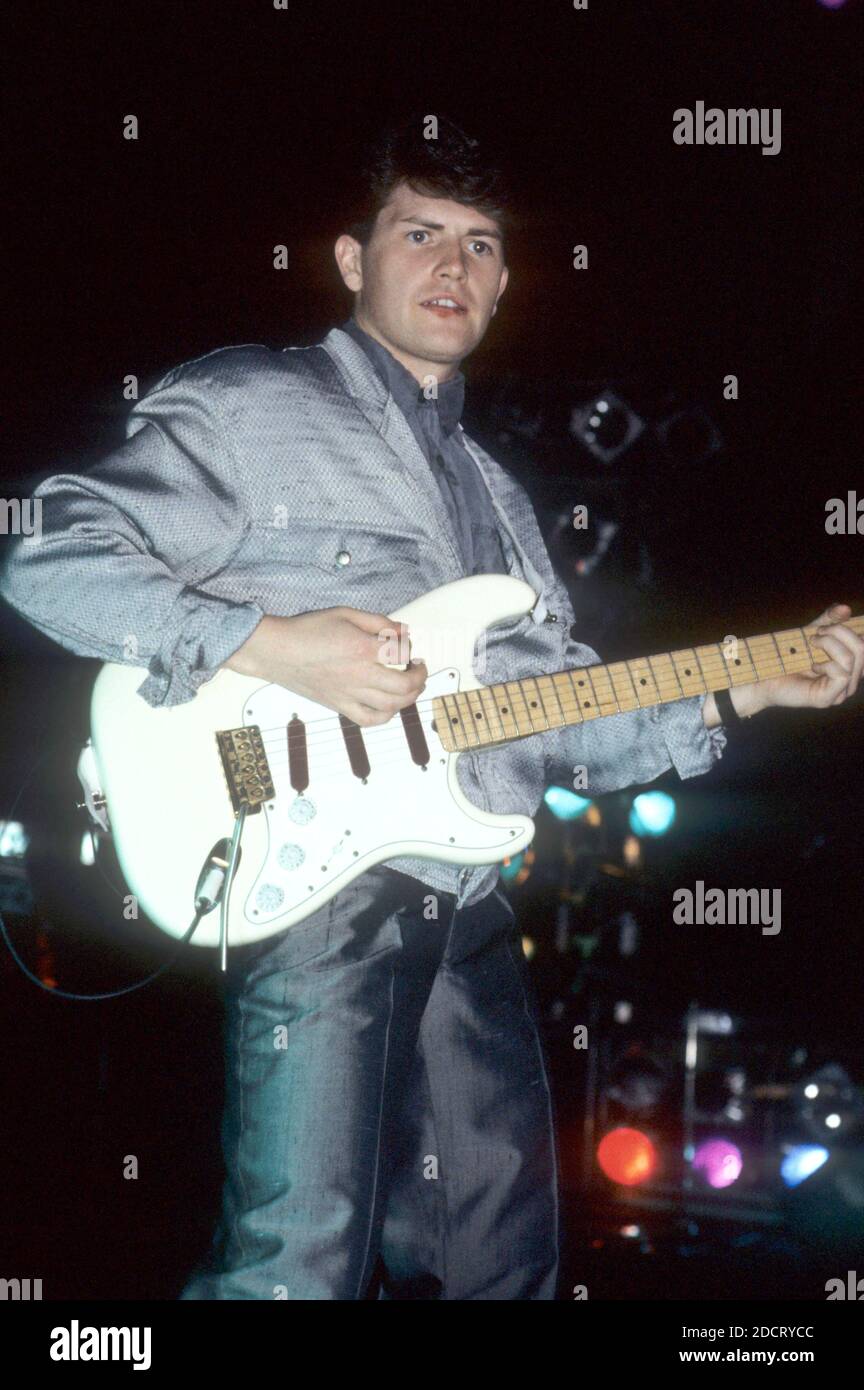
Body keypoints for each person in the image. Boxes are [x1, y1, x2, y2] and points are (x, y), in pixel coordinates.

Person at [1, 116, 861, 1300]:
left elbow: (554, 719)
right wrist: (274, 643)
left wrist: (745, 678)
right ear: (354, 261)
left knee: (503, 1262)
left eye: (482, 246)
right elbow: (49, 555)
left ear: (506, 282)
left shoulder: (502, 502)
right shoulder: (256, 405)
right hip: (322, 892)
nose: (455, 268)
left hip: (464, 909)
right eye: (422, 235)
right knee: (298, 1260)